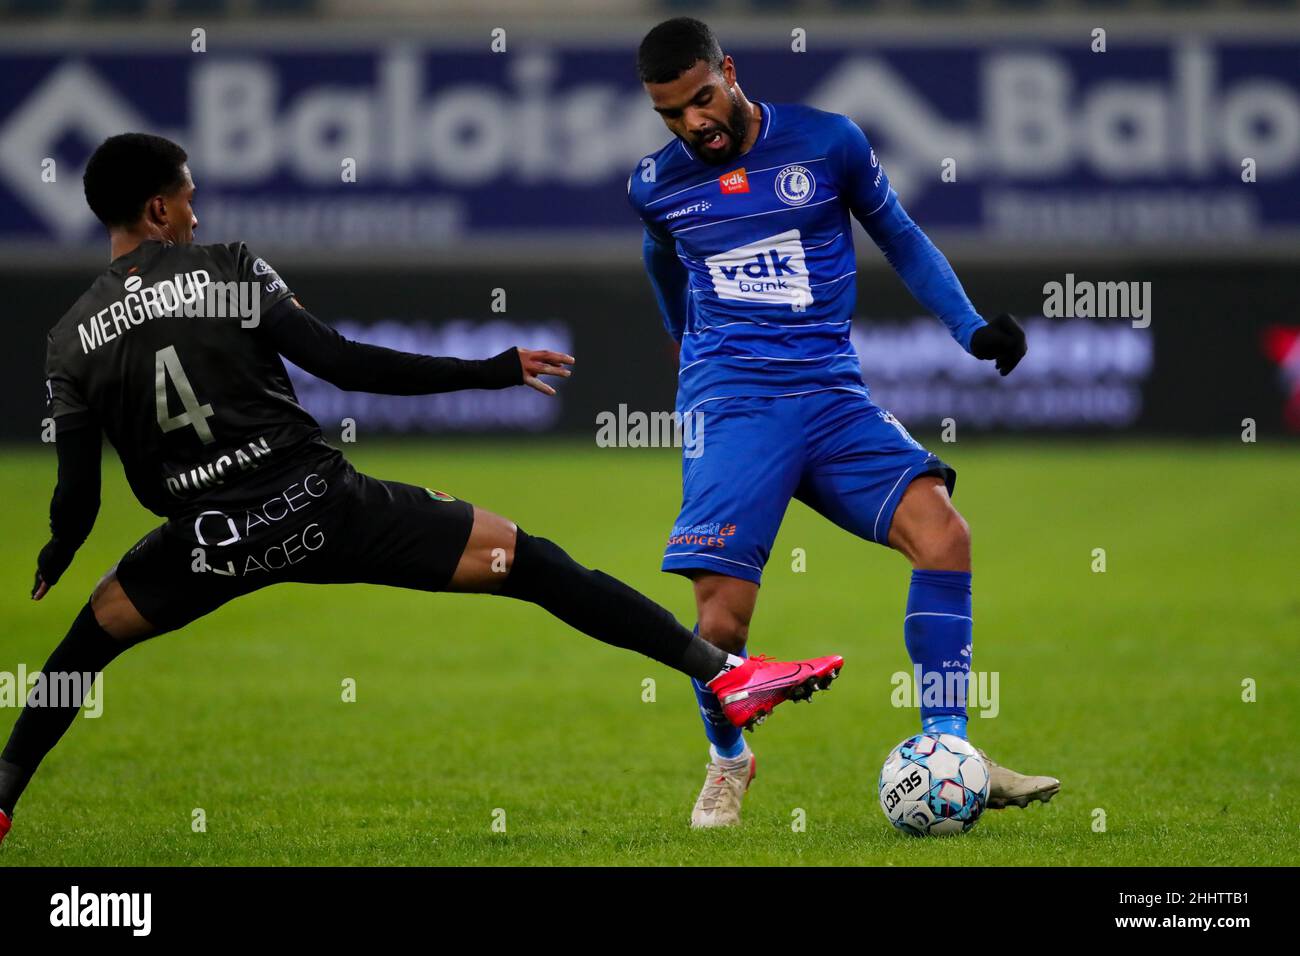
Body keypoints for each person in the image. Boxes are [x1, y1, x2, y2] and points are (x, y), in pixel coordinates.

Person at [0, 132, 845, 846]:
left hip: (208, 545)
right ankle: (721, 673)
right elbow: (343, 363)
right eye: (187, 200)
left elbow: (77, 493)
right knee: (533, 563)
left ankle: (3, 799)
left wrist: (60, 550)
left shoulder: (69, 338)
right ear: (157, 210)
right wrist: (491, 370)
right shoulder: (225, 269)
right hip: (324, 508)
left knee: (82, 650)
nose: (196, 214)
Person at [627, 18, 1059, 827]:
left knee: (945, 536)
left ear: (728, 71)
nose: (694, 124)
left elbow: (898, 234)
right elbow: (663, 263)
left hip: (831, 395)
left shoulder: (828, 143)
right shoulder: (656, 186)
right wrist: (694, 356)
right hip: (735, 403)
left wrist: (969, 328)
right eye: (671, 115)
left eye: (701, 100)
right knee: (722, 617)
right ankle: (729, 759)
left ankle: (952, 748)